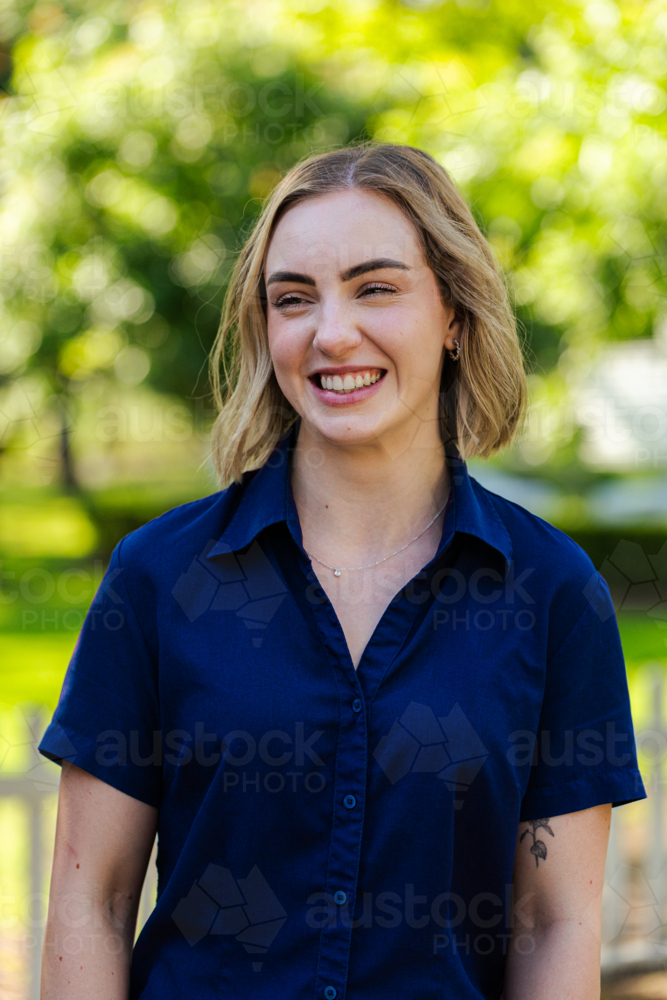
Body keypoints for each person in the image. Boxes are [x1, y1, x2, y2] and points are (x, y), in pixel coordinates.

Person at [39, 142, 646, 1000]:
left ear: (453, 315)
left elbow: (555, 924)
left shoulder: (552, 592)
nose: (330, 333)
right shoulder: (159, 578)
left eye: (375, 287)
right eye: (293, 299)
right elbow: (88, 903)